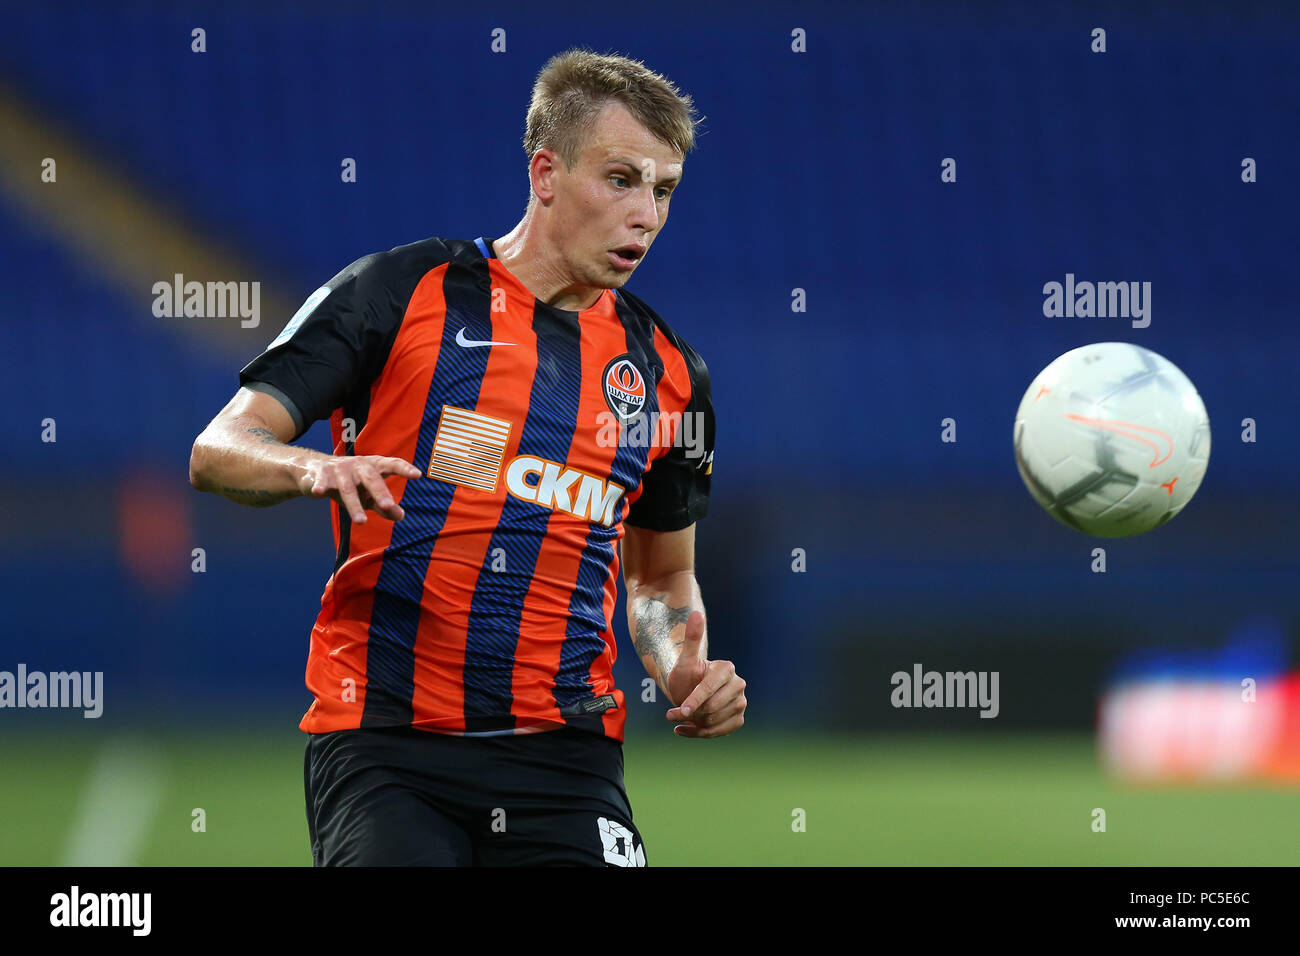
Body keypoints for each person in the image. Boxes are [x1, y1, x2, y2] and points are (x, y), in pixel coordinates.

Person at [188, 48, 746, 866]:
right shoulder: (398, 291)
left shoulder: (670, 375)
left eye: (664, 191)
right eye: (622, 179)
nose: (648, 215)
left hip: (567, 759)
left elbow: (659, 577)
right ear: (546, 173)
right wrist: (314, 469)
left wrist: (683, 667)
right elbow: (219, 449)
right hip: (388, 748)